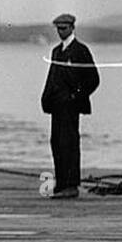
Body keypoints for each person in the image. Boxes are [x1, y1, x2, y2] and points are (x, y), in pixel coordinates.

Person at [39, 13, 100, 199]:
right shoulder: (56, 51)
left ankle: (71, 186)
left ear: (72, 28)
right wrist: (46, 99)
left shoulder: (81, 50)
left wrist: (76, 97)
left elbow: (93, 79)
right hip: (57, 106)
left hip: (70, 107)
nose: (60, 32)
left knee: (69, 143)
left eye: (64, 28)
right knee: (57, 143)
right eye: (58, 28)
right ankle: (62, 183)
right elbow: (52, 77)